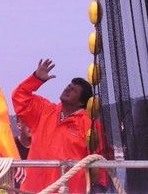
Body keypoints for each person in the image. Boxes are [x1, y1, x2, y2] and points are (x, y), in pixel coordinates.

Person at [12, 58, 109, 193]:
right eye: (69, 85)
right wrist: (36, 79)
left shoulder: (90, 124)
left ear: (81, 103)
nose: (68, 88)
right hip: (32, 190)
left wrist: (100, 186)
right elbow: (19, 97)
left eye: (74, 90)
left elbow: (99, 156)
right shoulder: (44, 110)